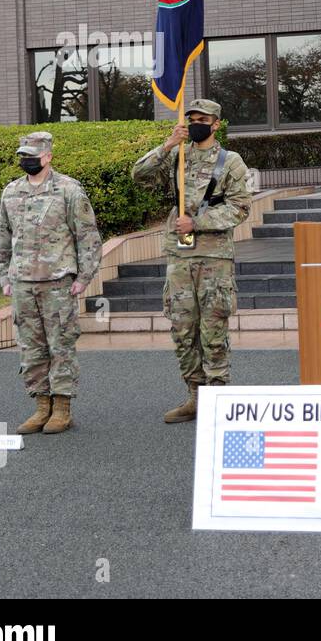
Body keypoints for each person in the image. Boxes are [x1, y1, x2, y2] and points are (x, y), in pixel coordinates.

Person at [131, 99, 252, 421]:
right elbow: (139, 175)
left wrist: (198, 222)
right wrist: (168, 144)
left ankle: (218, 398)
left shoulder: (231, 161)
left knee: (213, 330)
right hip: (179, 254)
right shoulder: (177, 155)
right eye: (192, 118)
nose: (196, 122)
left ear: (215, 124)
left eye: (203, 119)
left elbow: (241, 207)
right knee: (183, 329)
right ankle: (195, 396)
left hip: (214, 256)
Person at [0, 131, 101, 435]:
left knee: (61, 346)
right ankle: (41, 406)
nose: (26, 160)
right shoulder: (11, 192)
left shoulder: (69, 191)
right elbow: (3, 236)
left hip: (57, 282)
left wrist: (84, 277)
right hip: (23, 283)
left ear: (48, 156)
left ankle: (62, 408)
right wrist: (5, 275)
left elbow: (88, 236)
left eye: (32, 155)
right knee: (31, 348)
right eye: (23, 156)